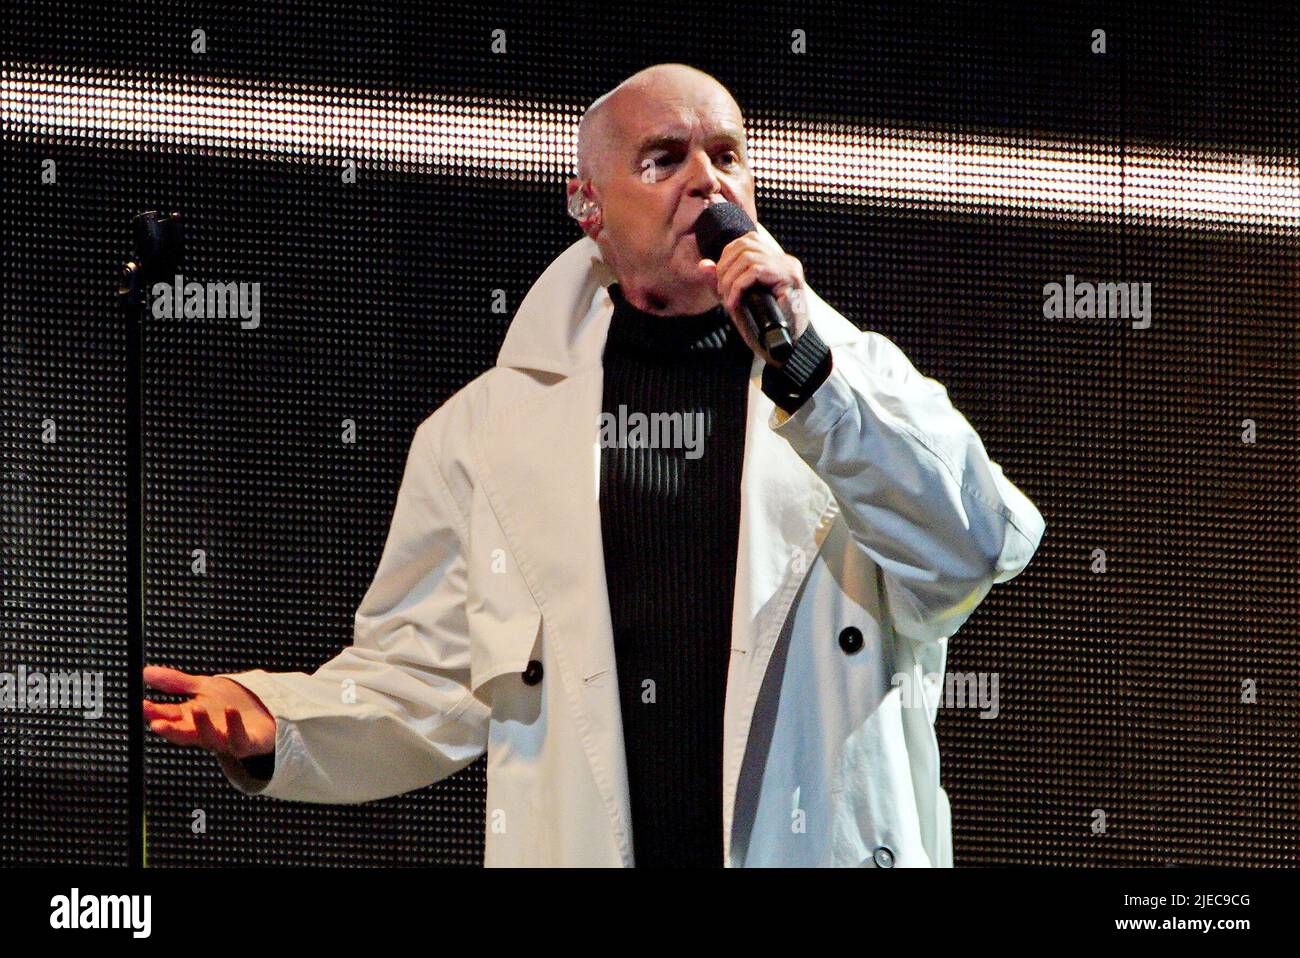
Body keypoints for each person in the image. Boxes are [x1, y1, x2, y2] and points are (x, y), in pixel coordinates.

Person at [143, 63, 1046, 867]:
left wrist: (816, 380)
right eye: (664, 159)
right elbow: (424, 677)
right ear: (590, 211)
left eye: (727, 156)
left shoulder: (858, 381)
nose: (707, 180)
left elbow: (974, 550)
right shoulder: (486, 434)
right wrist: (277, 721)